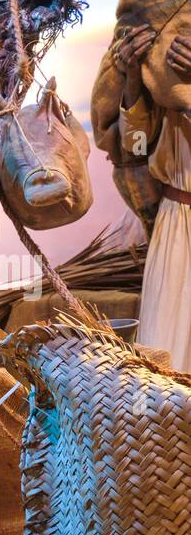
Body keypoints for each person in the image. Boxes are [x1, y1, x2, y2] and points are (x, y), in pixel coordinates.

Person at [95, 25, 191, 370]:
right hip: (177, 228)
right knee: (168, 355)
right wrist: (135, 79)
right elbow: (135, 146)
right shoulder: (171, 63)